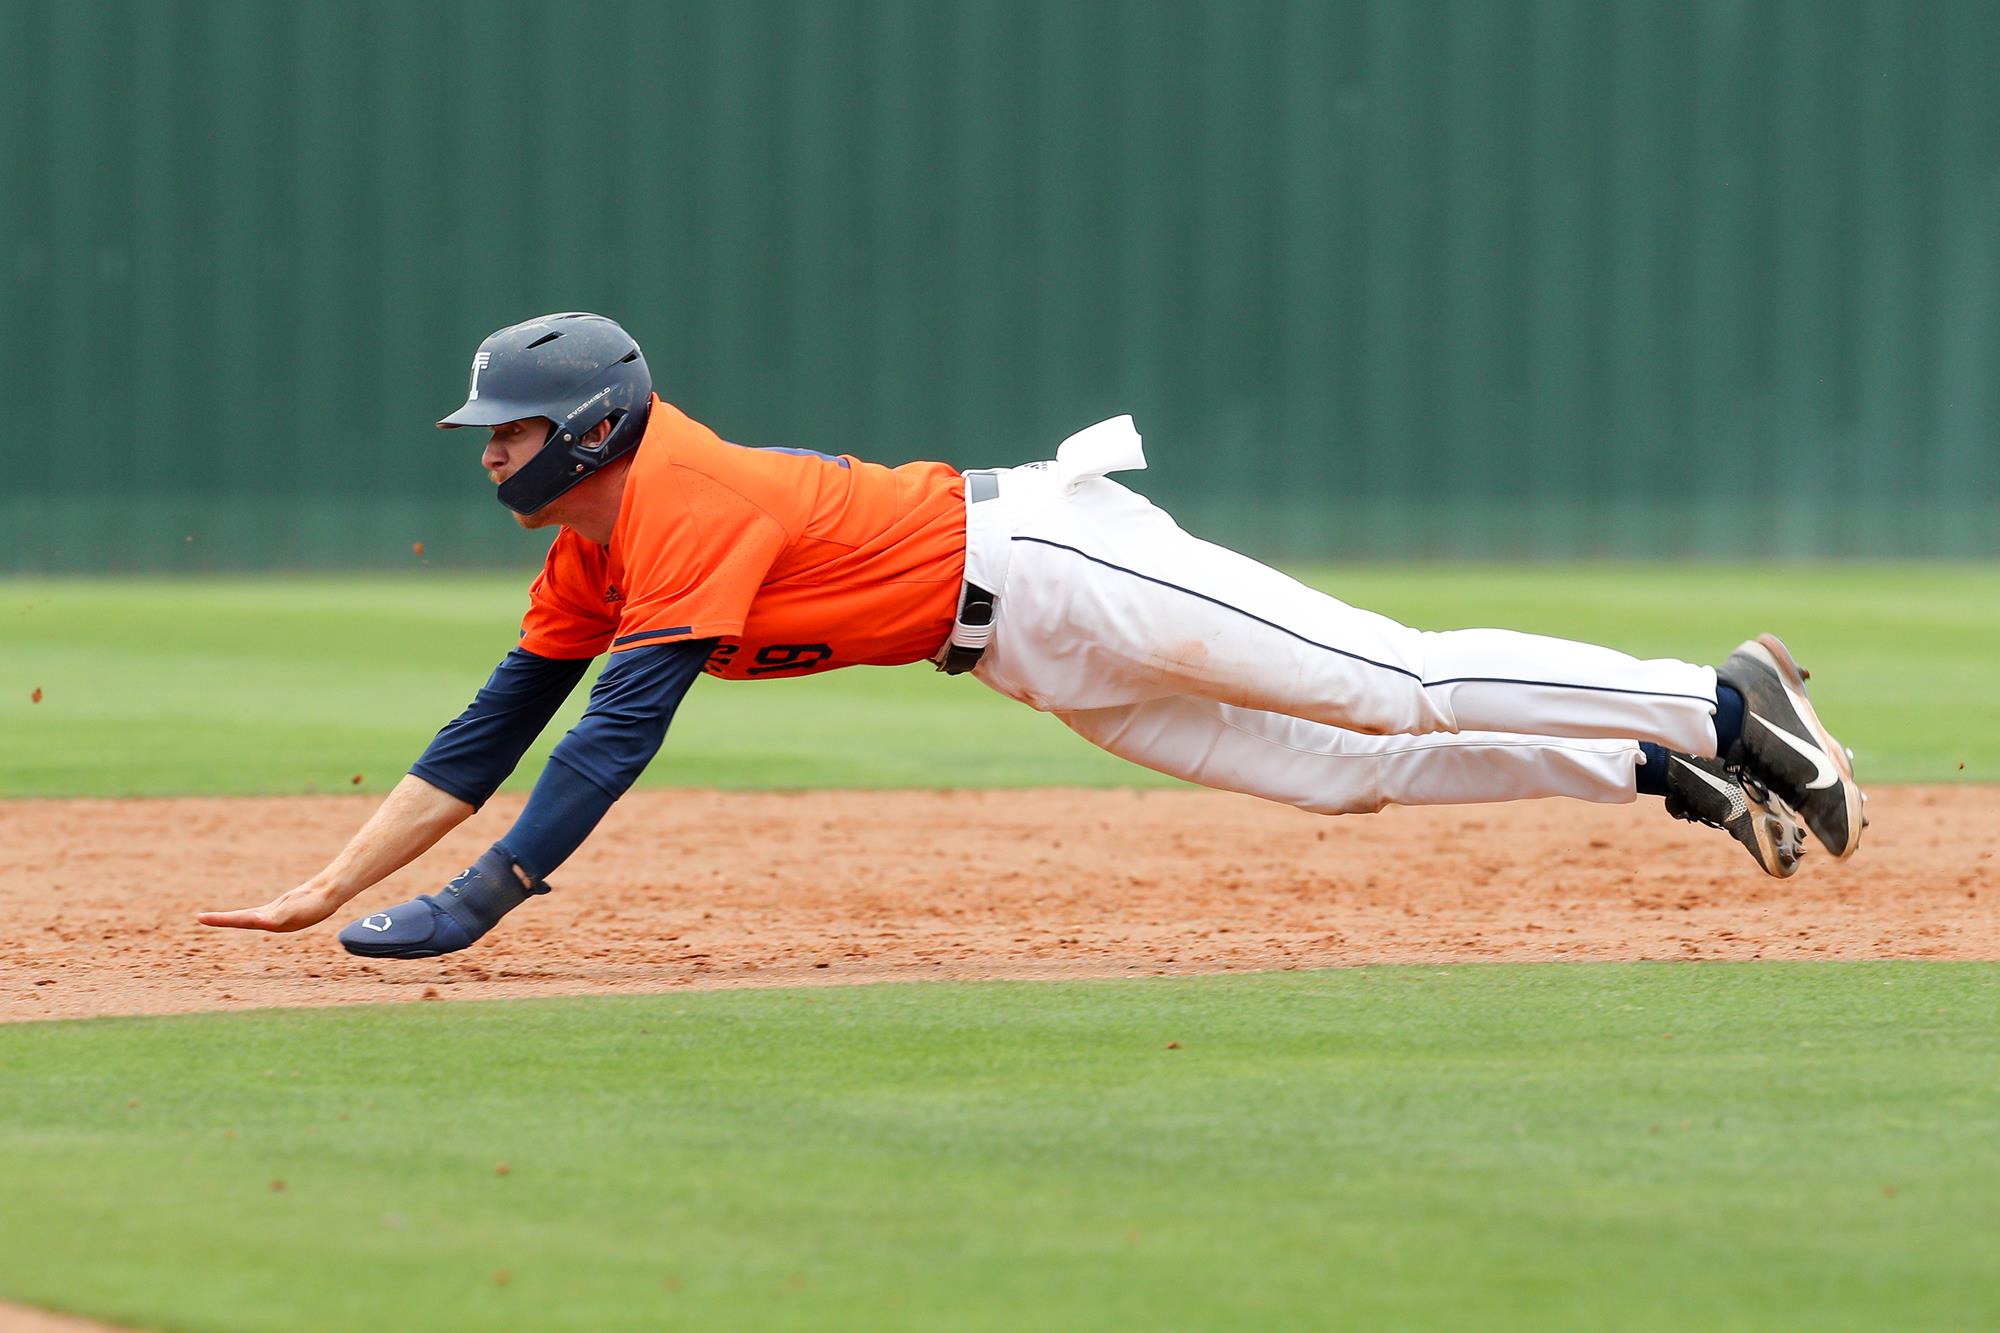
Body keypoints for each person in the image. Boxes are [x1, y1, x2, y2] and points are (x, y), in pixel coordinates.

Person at [198, 312, 1865, 959]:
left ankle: (1716, 700)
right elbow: (494, 729)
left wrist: (487, 898)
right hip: (1017, 648)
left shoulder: (687, 495)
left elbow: (617, 738)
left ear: (595, 426)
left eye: (509, 427)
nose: (488, 449)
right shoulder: (590, 553)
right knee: (1338, 778)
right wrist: (336, 883)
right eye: (487, 431)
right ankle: (1645, 759)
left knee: (1392, 676)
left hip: (1059, 558)